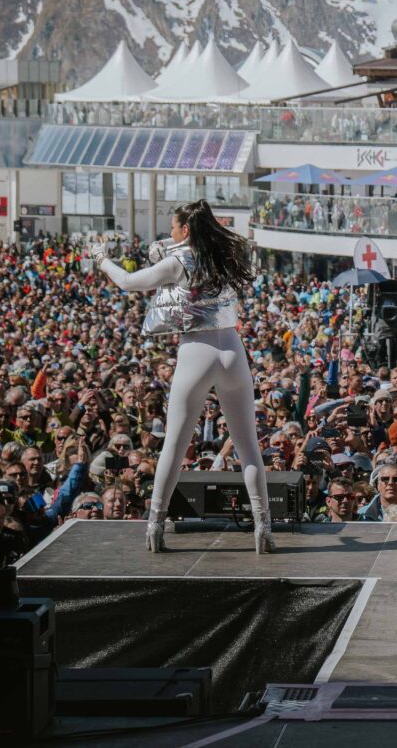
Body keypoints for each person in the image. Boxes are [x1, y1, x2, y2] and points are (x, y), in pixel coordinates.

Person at [89, 201, 273, 554]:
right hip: (233, 350)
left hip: (197, 352)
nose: (170, 233)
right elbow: (186, 245)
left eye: (173, 228)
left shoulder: (179, 262)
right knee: (248, 448)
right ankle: (263, 526)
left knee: (173, 445)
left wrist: (101, 258)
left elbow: (128, 282)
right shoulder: (224, 253)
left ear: (185, 230)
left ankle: (155, 524)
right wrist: (169, 245)